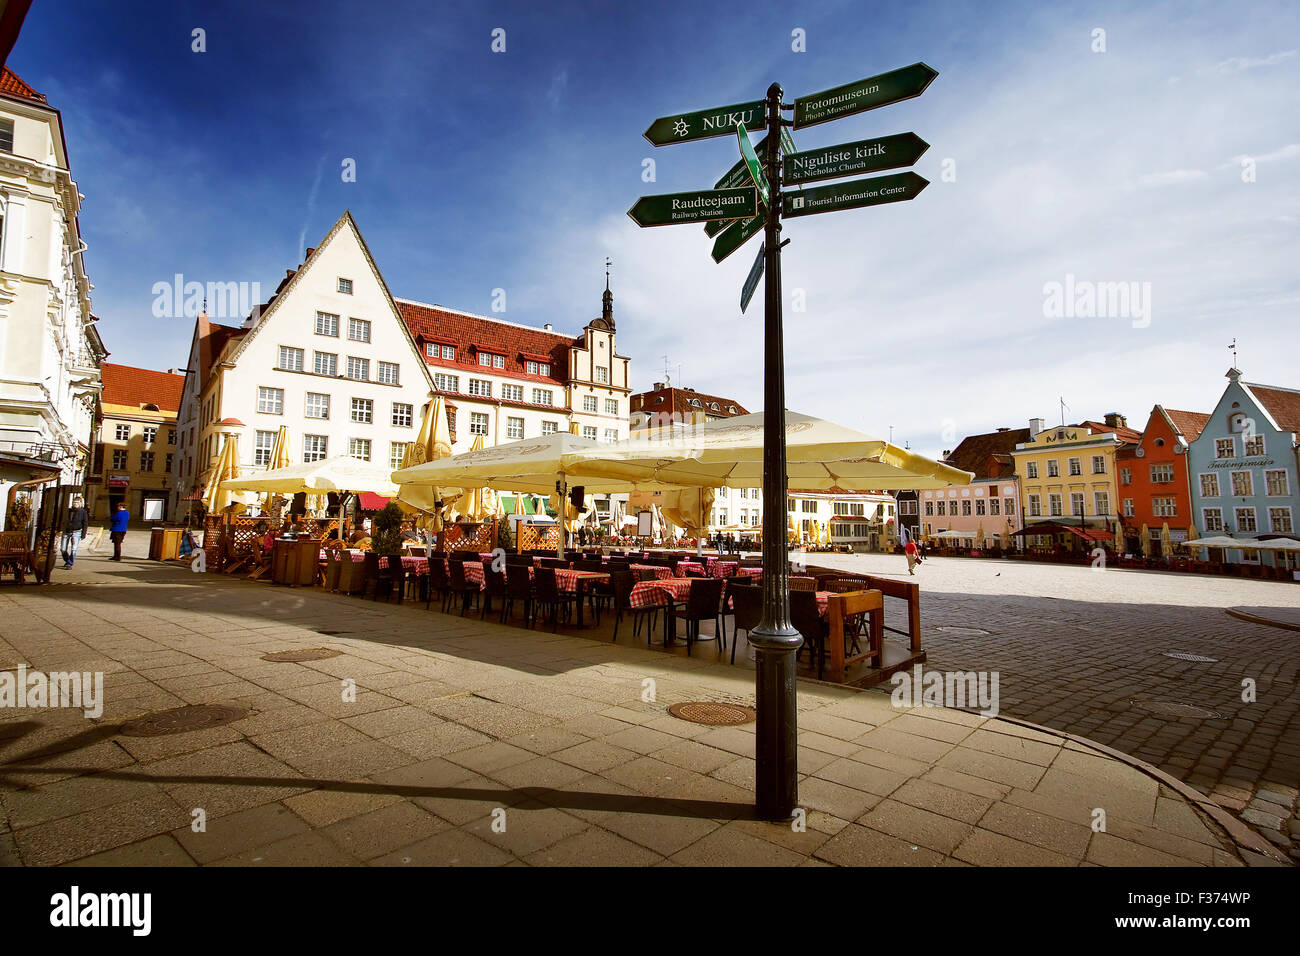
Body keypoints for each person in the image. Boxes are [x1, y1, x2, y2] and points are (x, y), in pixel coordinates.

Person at [61, 496, 90, 569]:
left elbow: (85, 523)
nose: (75, 504)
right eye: (74, 502)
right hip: (66, 531)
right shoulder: (68, 511)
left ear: (80, 504)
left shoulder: (83, 512)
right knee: (63, 549)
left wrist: (83, 534)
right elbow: (63, 520)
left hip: (77, 532)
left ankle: (70, 563)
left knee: (74, 548)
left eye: (77, 502)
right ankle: (67, 560)